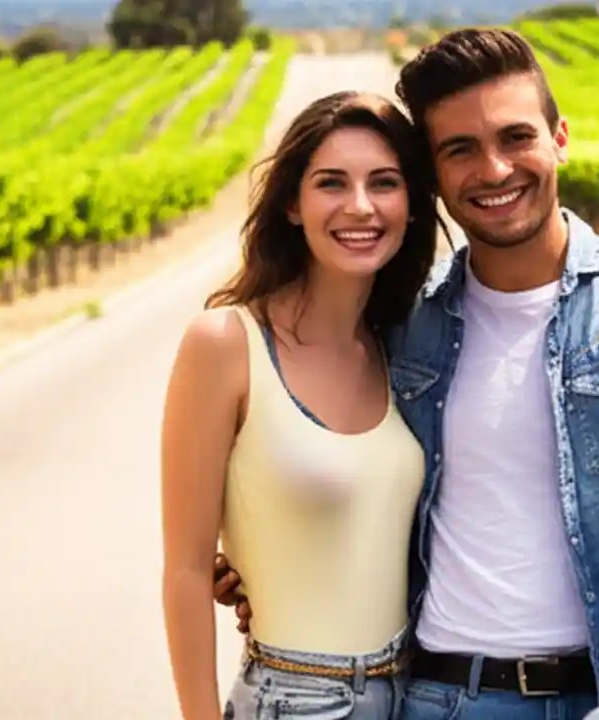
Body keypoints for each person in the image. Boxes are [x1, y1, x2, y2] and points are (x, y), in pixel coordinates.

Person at [215, 28, 599, 720]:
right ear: (435, 178)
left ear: (559, 139)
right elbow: (341, 469)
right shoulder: (406, 325)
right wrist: (265, 560)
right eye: (460, 150)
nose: (493, 169)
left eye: (516, 137)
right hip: (450, 700)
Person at [158, 91, 439, 720]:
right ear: (292, 203)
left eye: (385, 183)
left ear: (412, 205)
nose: (360, 206)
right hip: (297, 701)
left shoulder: (404, 347)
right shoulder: (227, 345)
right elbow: (184, 572)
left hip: (414, 693)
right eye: (331, 183)